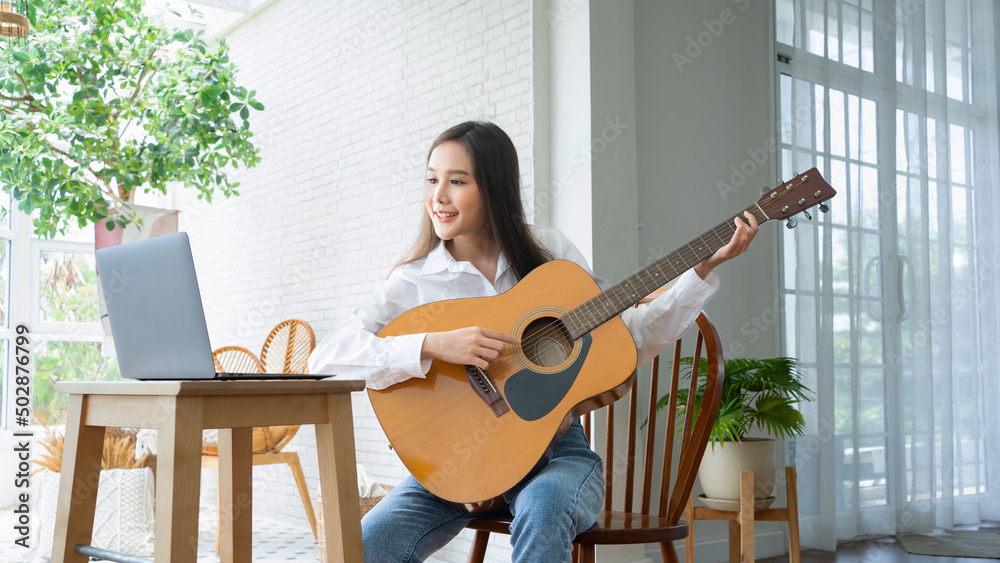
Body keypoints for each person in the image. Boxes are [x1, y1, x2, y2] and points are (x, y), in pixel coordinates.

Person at [308, 120, 758, 562]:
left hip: (556, 458)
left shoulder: (548, 253)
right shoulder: (414, 281)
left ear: (495, 187)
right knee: (365, 545)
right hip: (453, 467)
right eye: (431, 179)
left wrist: (699, 272)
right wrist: (431, 344)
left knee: (543, 509)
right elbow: (326, 359)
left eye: (457, 181)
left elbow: (632, 338)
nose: (438, 197)